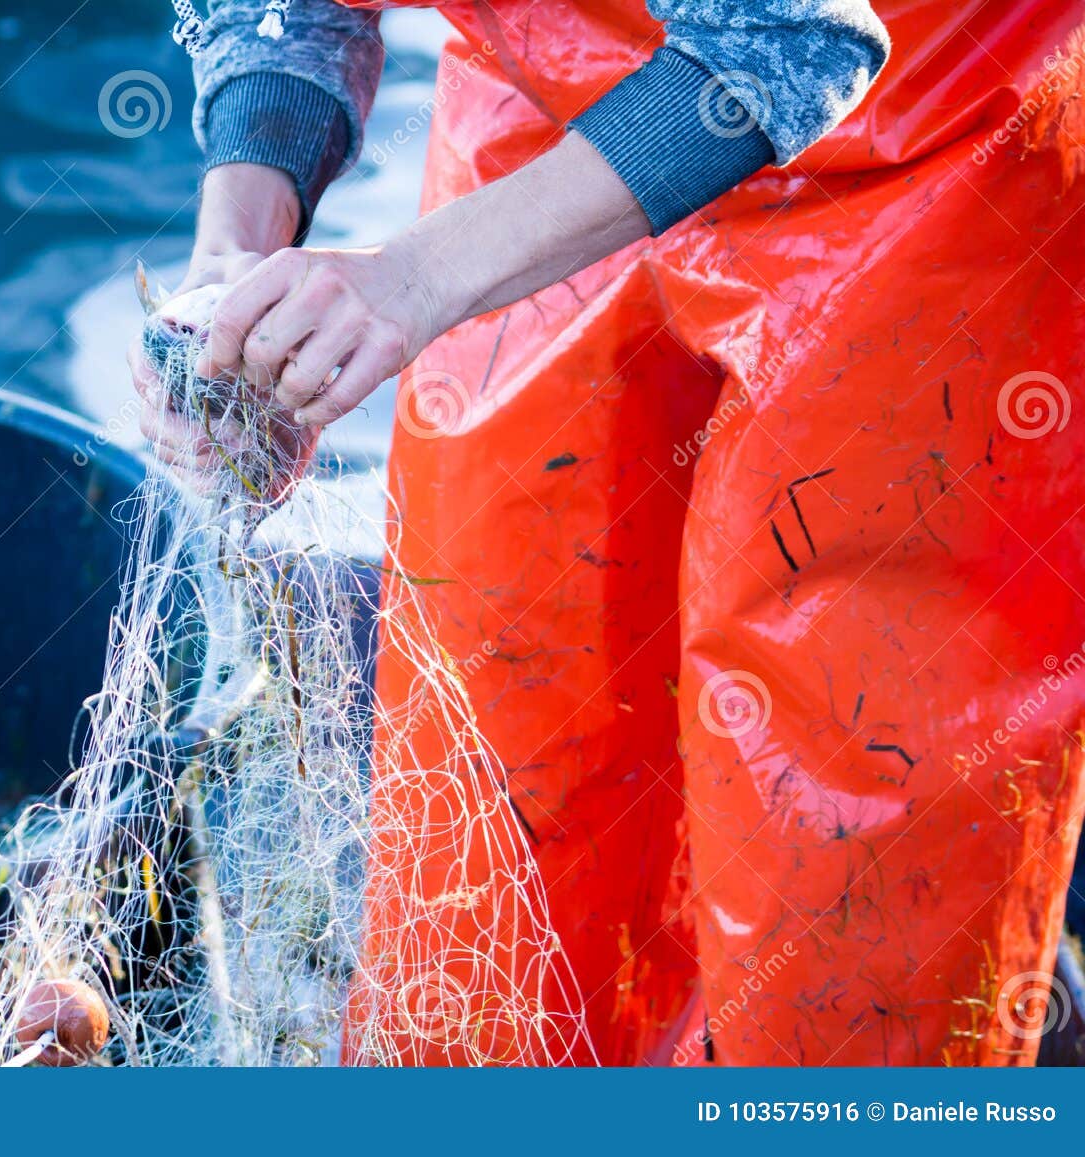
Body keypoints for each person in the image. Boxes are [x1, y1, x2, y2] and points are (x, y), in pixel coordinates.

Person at [133, 0, 1085, 1065]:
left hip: (932, 133)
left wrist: (411, 282)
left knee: (851, 826)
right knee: (499, 774)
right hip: (549, 105)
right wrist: (235, 264)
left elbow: (798, 39)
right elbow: (278, 14)